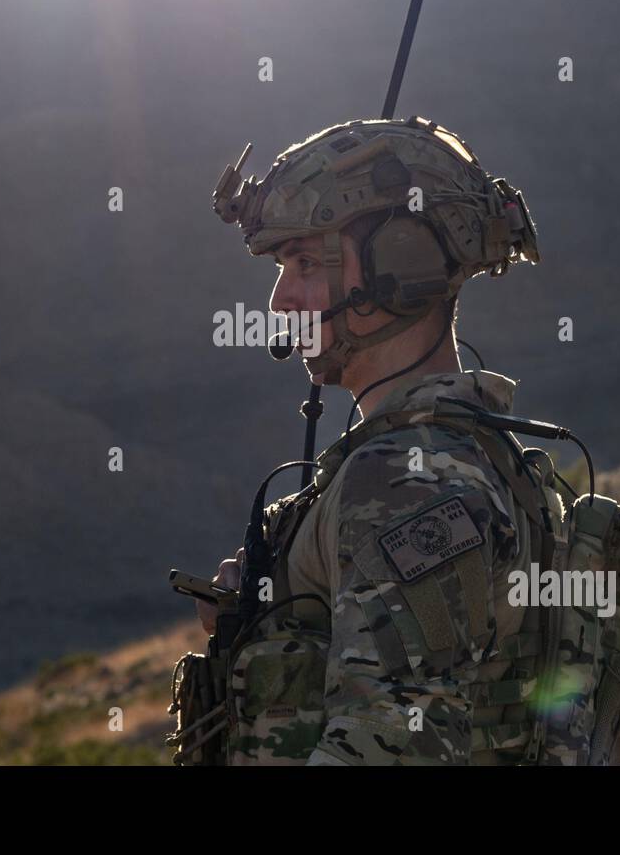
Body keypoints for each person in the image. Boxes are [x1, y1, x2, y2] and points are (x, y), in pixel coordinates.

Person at [184, 115, 562, 765]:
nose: (280, 299)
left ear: (400, 263)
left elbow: (391, 746)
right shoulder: (470, 454)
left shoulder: (407, 482)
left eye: (304, 261)